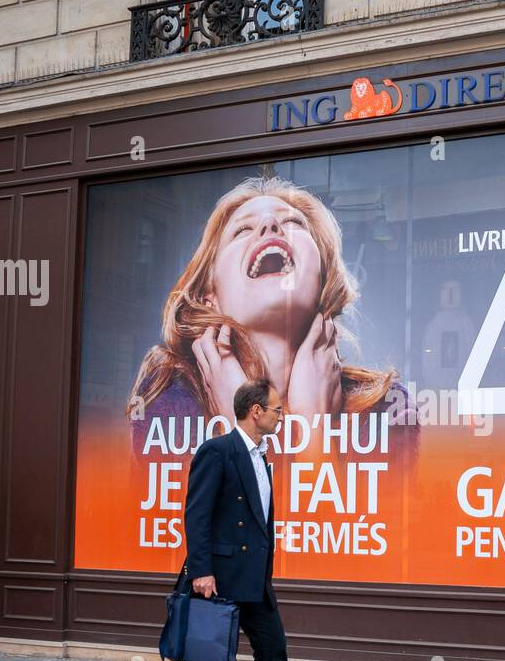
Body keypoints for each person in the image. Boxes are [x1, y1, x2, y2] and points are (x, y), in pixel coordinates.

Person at [126, 174, 417, 459]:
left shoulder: (386, 407)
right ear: (208, 297)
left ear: (323, 278)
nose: (270, 224)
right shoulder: (172, 395)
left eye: (292, 222)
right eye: (242, 230)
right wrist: (240, 429)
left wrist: (311, 432)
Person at [176, 377, 311, 661]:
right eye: (277, 410)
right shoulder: (218, 452)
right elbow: (196, 515)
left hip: (254, 580)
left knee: (274, 651)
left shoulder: (261, 457)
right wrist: (201, 570)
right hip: (218, 579)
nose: (281, 416)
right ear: (256, 411)